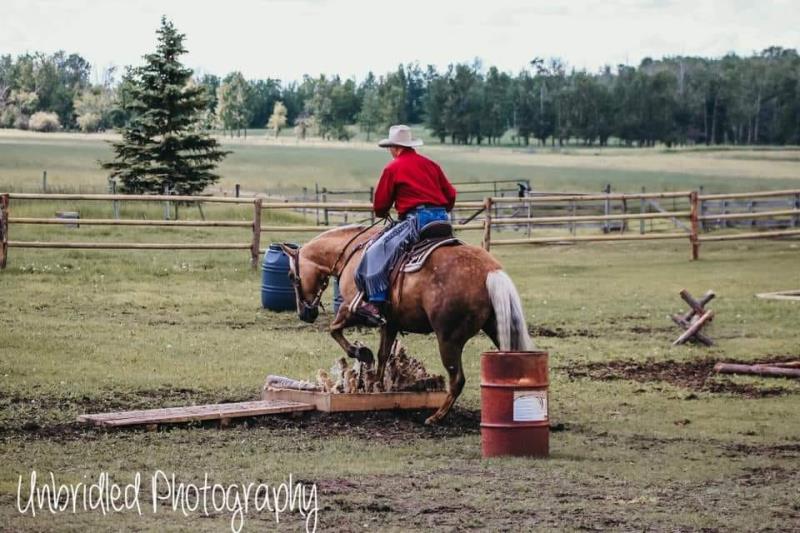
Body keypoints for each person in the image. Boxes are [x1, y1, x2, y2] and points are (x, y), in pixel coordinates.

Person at [353, 125, 457, 325]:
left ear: (394, 147)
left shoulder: (393, 168)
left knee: (378, 249)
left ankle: (376, 301)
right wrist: (442, 210)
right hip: (443, 219)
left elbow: (381, 204)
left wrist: (383, 213)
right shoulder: (431, 165)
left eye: (389, 147)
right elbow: (451, 194)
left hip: (417, 220)